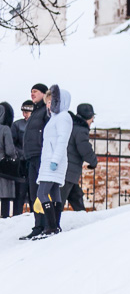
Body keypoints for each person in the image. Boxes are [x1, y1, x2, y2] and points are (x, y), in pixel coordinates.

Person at [31, 85, 72, 239]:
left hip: (54, 162)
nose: (48, 105)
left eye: (50, 102)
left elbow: (62, 141)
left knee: (42, 193)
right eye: (47, 102)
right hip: (50, 161)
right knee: (54, 193)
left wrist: (54, 160)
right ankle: (55, 226)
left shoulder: (63, 117)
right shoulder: (55, 118)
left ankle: (51, 227)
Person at [19, 84, 49, 239]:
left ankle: (46, 225)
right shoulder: (35, 112)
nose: (32, 94)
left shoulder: (46, 111)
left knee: (42, 192)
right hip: (31, 157)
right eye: (31, 92)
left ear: (44, 94)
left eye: (35, 91)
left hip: (41, 156)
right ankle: (38, 226)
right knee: (33, 193)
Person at [63, 103, 98, 213]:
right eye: (92, 117)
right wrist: (93, 162)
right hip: (67, 172)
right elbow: (85, 149)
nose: (93, 121)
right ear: (88, 117)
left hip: (67, 170)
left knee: (76, 196)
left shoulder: (71, 126)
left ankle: (83, 219)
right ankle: (51, 222)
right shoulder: (81, 130)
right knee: (58, 202)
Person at [12, 100, 31, 214]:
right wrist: (21, 153)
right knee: (20, 194)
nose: (24, 114)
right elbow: (12, 144)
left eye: (27, 112)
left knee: (33, 194)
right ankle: (17, 215)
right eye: (23, 111)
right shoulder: (17, 125)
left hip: (32, 162)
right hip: (21, 162)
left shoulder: (38, 124)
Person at [0, 102, 16, 218]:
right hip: (3, 165)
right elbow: (10, 150)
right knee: (4, 194)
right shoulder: (5, 129)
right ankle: (4, 218)